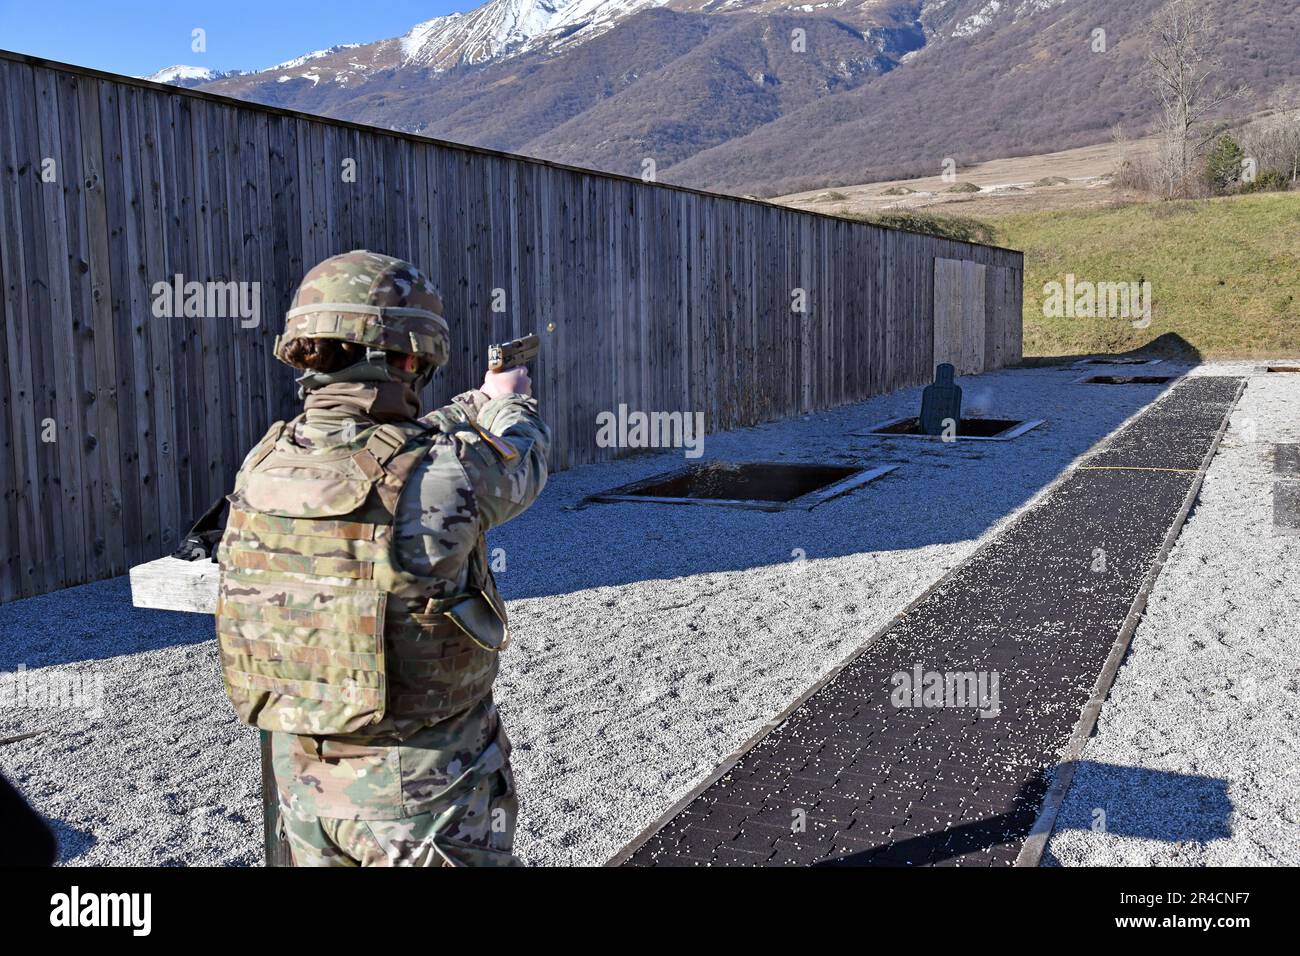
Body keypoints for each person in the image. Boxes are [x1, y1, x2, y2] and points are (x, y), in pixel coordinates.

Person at [214, 250, 549, 866]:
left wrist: (468, 404)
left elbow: (388, 442)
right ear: (412, 358)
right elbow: (521, 458)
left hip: (305, 788)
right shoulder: (450, 471)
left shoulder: (264, 464)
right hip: (423, 797)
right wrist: (510, 401)